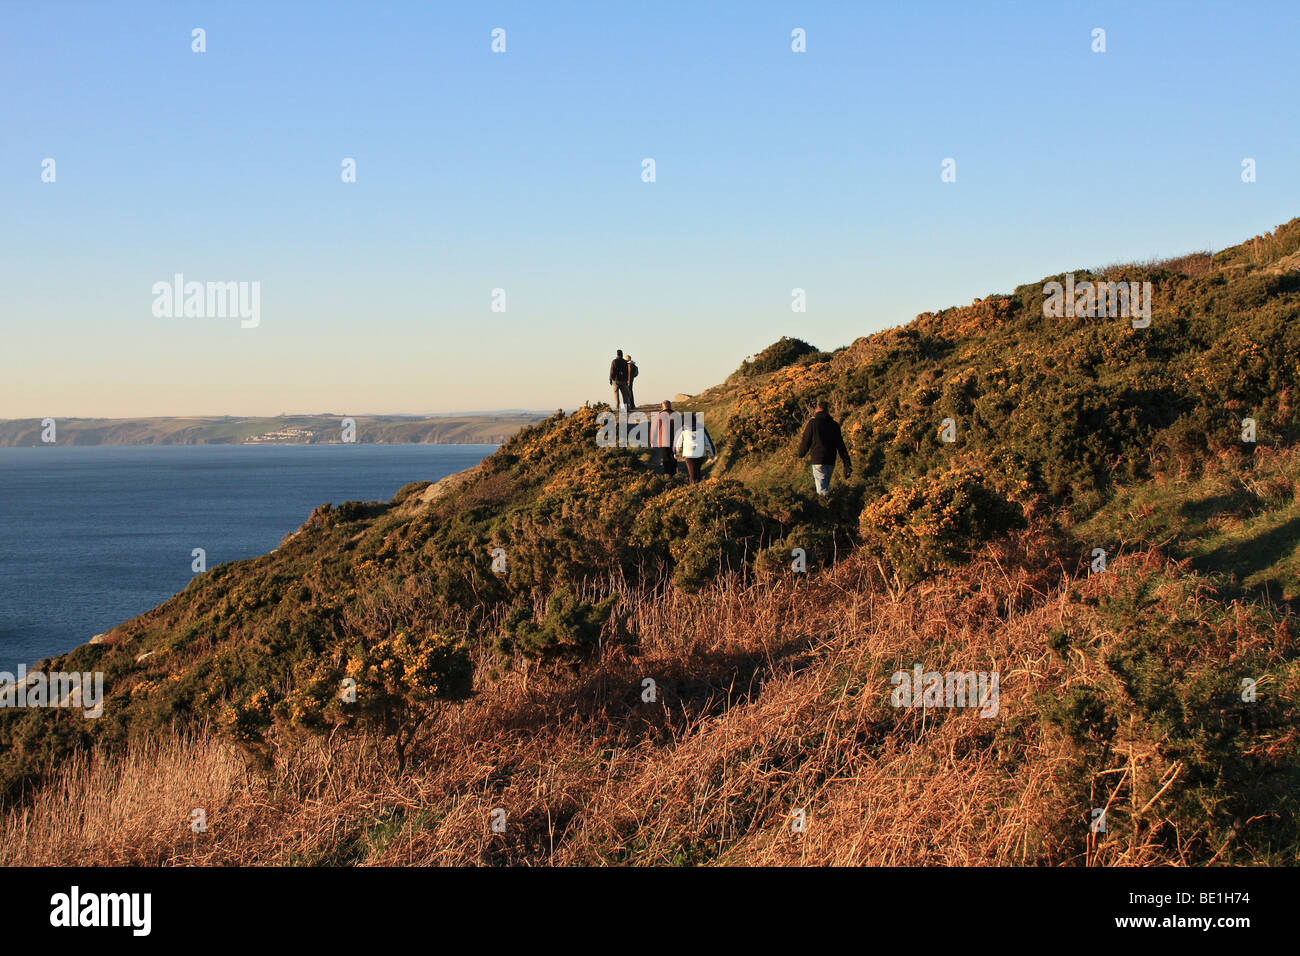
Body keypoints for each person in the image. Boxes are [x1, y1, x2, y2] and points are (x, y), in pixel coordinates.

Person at [796, 400, 851, 496]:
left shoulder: (813, 423)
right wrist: (847, 463)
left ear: (817, 409)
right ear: (827, 410)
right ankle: (831, 502)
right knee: (825, 487)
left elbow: (805, 441)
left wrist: (800, 453)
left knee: (822, 491)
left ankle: (827, 504)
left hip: (818, 460)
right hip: (831, 460)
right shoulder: (834, 425)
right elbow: (841, 445)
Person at [673, 412, 716, 485]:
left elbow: (678, 443)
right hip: (700, 453)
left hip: (689, 454)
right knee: (697, 472)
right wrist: (712, 453)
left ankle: (694, 488)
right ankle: (699, 487)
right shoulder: (701, 428)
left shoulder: (682, 429)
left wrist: (676, 452)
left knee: (692, 475)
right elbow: (708, 442)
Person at [650, 400, 678, 477]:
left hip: (663, 441)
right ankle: (674, 473)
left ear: (662, 407)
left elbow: (653, 429)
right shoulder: (676, 415)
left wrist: (652, 441)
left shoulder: (659, 415)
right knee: (673, 456)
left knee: (666, 457)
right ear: (670, 406)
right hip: (675, 440)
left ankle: (667, 474)